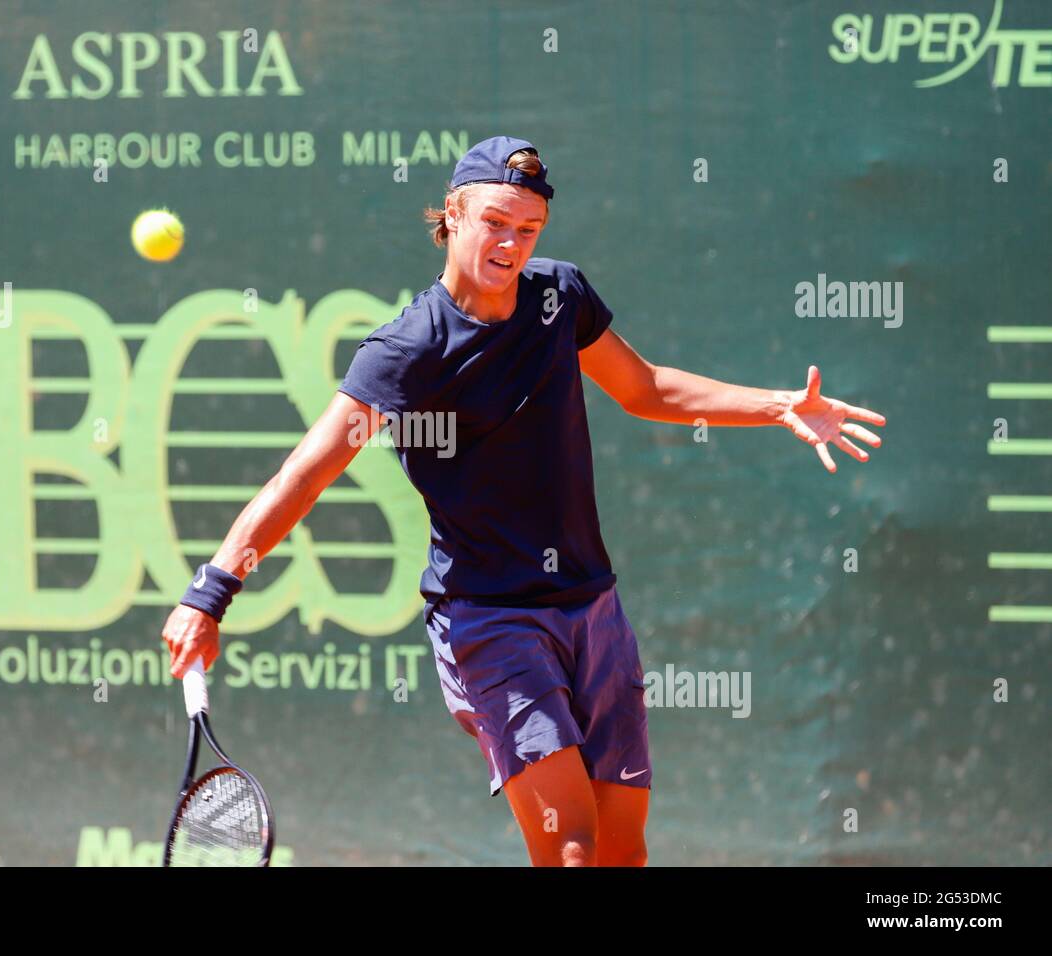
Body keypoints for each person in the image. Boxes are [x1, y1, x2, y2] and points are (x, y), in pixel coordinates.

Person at [160, 135, 886, 867]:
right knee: (571, 845)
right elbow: (305, 474)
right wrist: (212, 589)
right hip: (489, 616)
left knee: (621, 853)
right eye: (496, 223)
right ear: (453, 213)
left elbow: (645, 389)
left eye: (528, 229)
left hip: (592, 606)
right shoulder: (407, 349)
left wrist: (779, 405)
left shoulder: (559, 296)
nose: (512, 244)